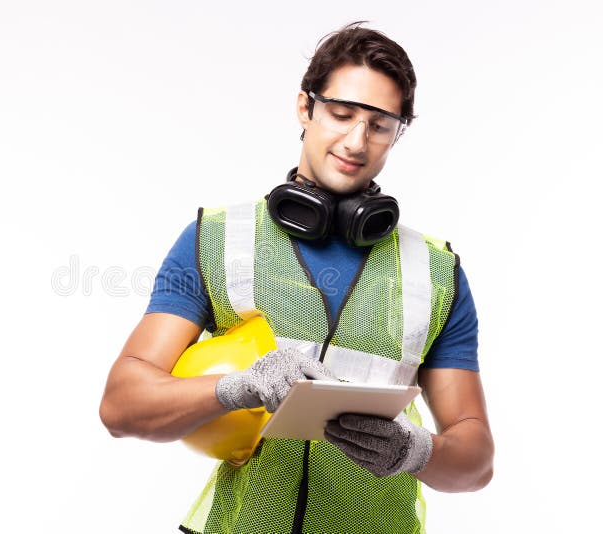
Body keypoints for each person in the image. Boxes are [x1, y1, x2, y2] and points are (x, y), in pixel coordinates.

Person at [99, 21, 494, 534]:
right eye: (341, 113)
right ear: (305, 108)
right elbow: (121, 406)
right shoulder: (217, 241)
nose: (356, 141)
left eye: (379, 125)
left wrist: (416, 451)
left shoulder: (435, 272)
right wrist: (239, 388)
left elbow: (477, 463)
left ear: (398, 133)